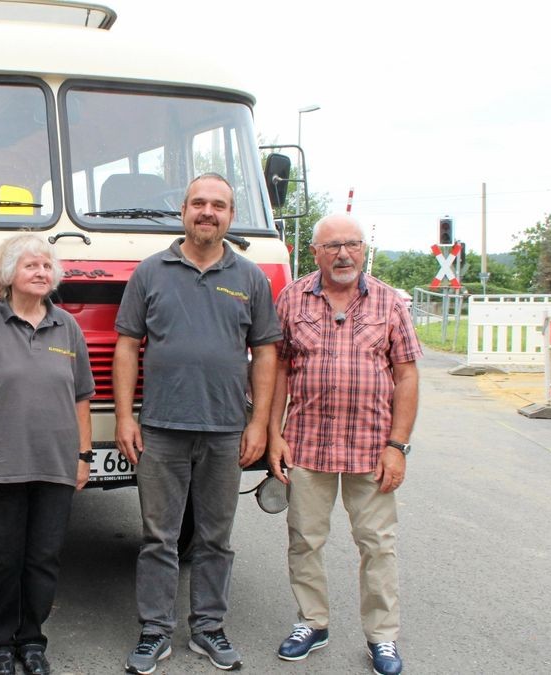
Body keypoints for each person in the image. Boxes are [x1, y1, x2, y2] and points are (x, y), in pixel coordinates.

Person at [114, 173, 282, 674]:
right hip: (161, 427)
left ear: (231, 216)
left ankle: (208, 628)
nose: (208, 212)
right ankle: (155, 631)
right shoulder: (150, 272)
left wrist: (259, 424)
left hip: (227, 428)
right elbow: (127, 345)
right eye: (198, 203)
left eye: (219, 205)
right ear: (183, 211)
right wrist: (126, 416)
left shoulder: (250, 277)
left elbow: (266, 352)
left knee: (214, 537)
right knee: (158, 537)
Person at [266, 213, 421, 675]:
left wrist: (399, 445)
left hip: (372, 448)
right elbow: (276, 370)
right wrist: (273, 433)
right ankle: (312, 623)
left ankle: (383, 638)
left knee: (377, 544)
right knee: (305, 540)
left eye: (351, 244)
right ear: (315, 253)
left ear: (363, 250)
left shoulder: (390, 303)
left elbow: (408, 374)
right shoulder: (291, 299)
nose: (342, 253)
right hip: (307, 442)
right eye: (331, 246)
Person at [0, 234, 95, 675]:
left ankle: (32, 641)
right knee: (1, 558)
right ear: (9, 275)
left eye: (47, 266)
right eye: (31, 265)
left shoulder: (68, 327)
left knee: (43, 558)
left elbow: (82, 397)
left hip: (55, 466)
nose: (41, 272)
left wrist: (83, 457)